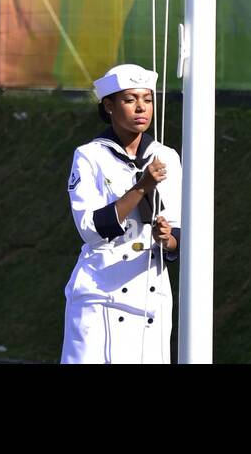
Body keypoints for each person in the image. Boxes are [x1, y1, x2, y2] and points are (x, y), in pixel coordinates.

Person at [61, 63, 181, 364]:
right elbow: (90, 228)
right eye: (130, 100)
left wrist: (168, 239)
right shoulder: (89, 155)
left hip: (149, 295)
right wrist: (142, 187)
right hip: (100, 292)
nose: (141, 107)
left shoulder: (167, 156)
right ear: (109, 106)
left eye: (147, 99)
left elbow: (180, 233)